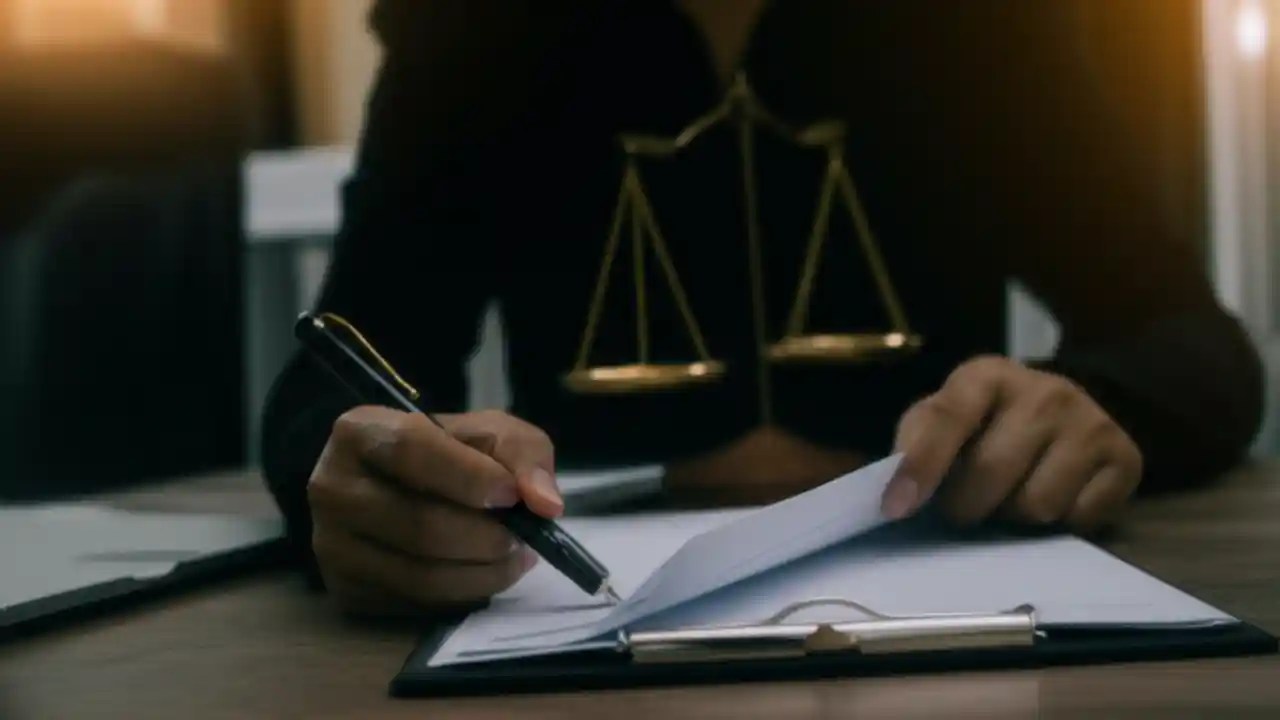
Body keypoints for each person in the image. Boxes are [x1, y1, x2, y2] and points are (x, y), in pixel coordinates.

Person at [261, 1, 1262, 616]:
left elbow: (1188, 342)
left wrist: (1085, 408)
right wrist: (358, 476)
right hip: (589, 611)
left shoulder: (980, 25)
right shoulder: (470, 30)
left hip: (943, 593)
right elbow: (334, 375)